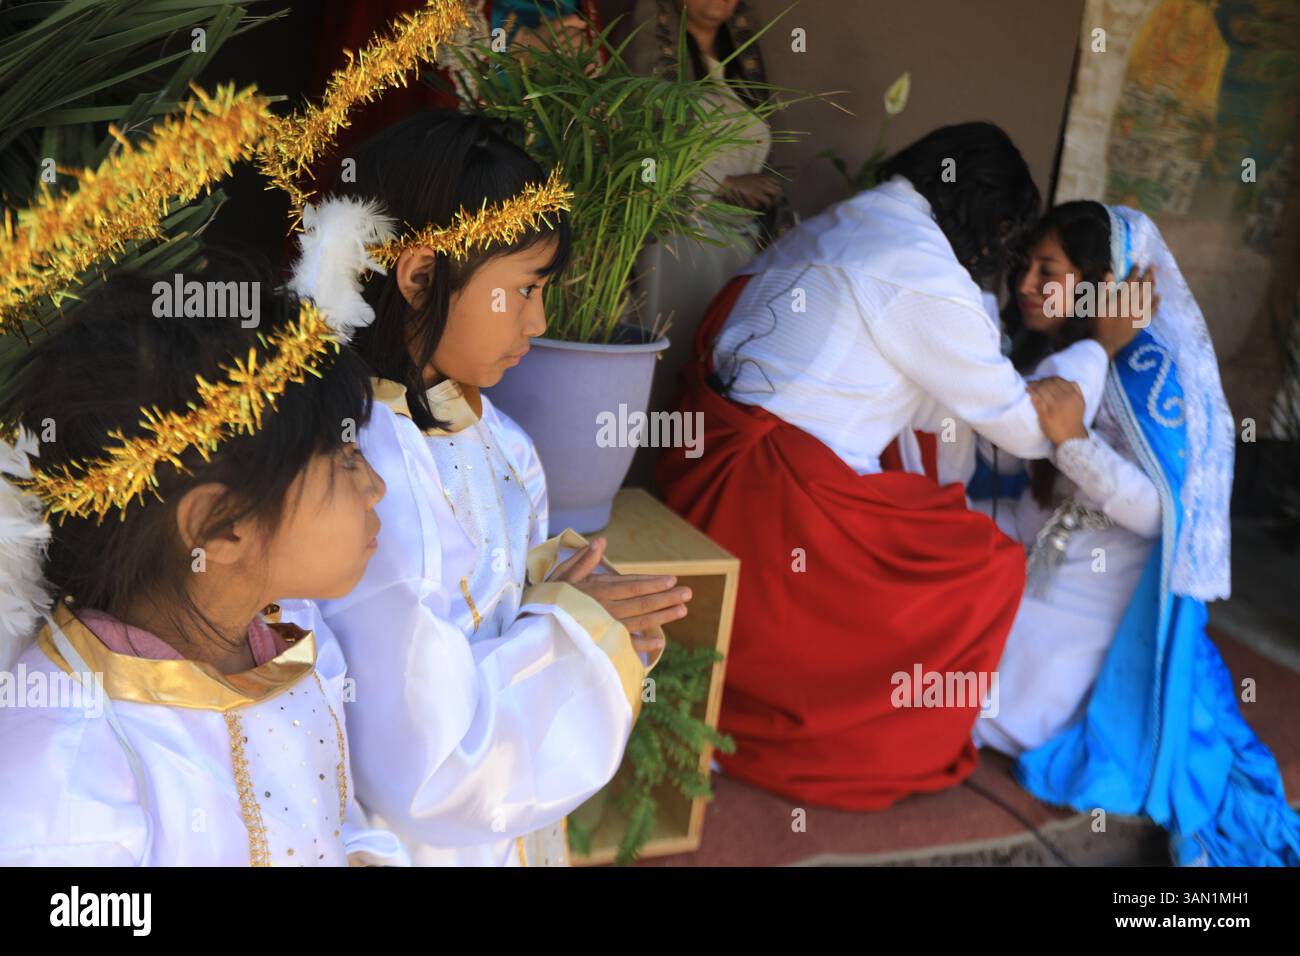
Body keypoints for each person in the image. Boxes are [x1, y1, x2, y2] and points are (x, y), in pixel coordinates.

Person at [656, 123, 1141, 810]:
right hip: (770, 507)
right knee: (987, 563)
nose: (1005, 266)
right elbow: (1032, 432)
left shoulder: (833, 225)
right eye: (1007, 244)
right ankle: (845, 743)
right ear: (989, 222)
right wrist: (1100, 347)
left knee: (933, 506)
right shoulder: (922, 270)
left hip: (705, 473)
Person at [285, 111, 690, 865]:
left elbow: (493, 590)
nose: (538, 319)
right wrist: (575, 636)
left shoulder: (494, 433)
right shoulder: (367, 470)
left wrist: (568, 598)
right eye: (523, 288)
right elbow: (427, 767)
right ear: (418, 275)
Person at [0, 262, 405, 866]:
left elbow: (332, 823)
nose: (376, 487)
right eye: (345, 460)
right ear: (221, 525)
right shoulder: (66, 769)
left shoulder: (285, 626)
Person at [975, 201, 1300, 866]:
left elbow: (1162, 514)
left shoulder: (1154, 379)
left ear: (1099, 281)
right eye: (1026, 266)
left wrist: (1071, 444)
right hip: (1040, 557)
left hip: (1096, 599)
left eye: (1051, 270)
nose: (1028, 284)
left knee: (978, 686)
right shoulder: (1064, 350)